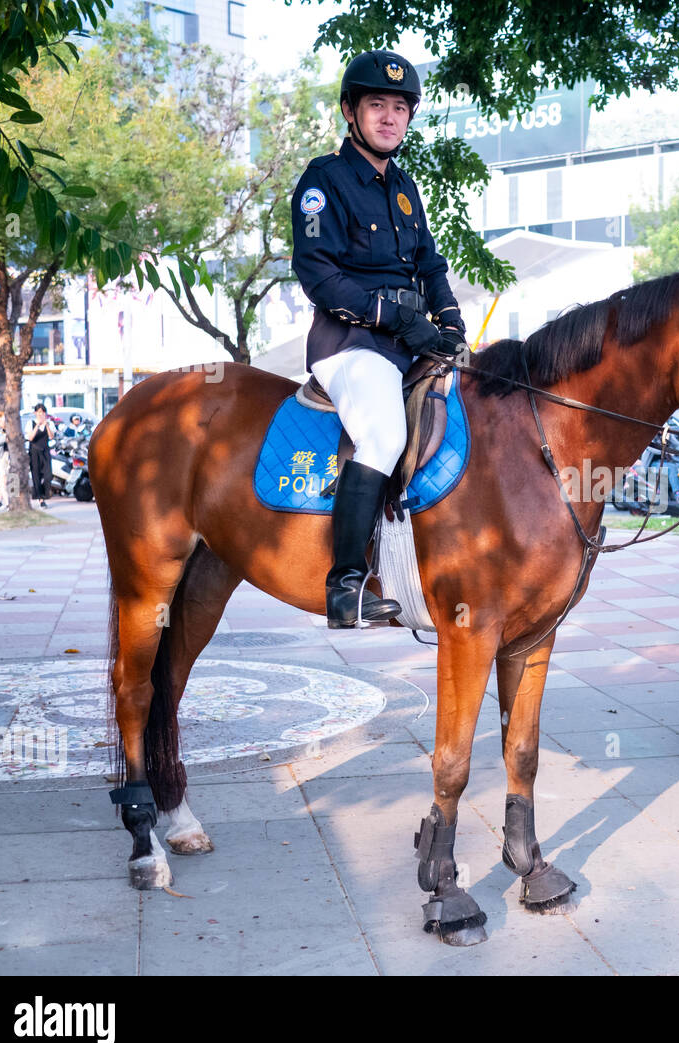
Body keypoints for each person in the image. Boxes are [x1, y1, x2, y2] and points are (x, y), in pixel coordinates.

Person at [291, 50, 469, 628]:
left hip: (409, 344)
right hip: (349, 346)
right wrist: (396, 318)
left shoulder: (404, 187)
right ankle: (346, 585)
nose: (389, 117)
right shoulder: (323, 181)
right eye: (376, 105)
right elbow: (319, 276)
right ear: (350, 111)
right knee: (385, 433)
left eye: (400, 107)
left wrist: (450, 322)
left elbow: (430, 263)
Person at [26, 404, 52, 509]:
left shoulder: (49, 423)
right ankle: (41, 499)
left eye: (43, 412)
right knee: (36, 475)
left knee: (48, 475)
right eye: (39, 412)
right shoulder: (30, 423)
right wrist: (38, 425)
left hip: (45, 451)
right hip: (34, 452)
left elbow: (51, 436)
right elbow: (31, 437)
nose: (41, 414)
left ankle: (45, 494)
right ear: (35, 413)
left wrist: (46, 425)